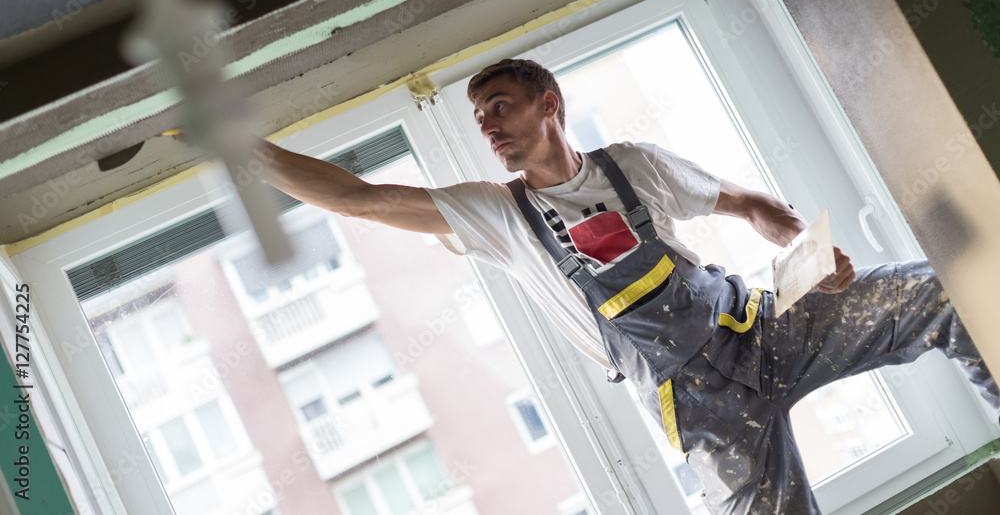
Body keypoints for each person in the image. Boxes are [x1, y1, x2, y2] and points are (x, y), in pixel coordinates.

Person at [249, 58, 1000, 514]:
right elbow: (357, 198)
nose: (489, 127)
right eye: (480, 119)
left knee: (936, 293)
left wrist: (807, 247)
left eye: (500, 108)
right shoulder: (498, 215)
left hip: (761, 327)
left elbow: (750, 205)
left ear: (550, 106)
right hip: (700, 410)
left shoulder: (630, 165)